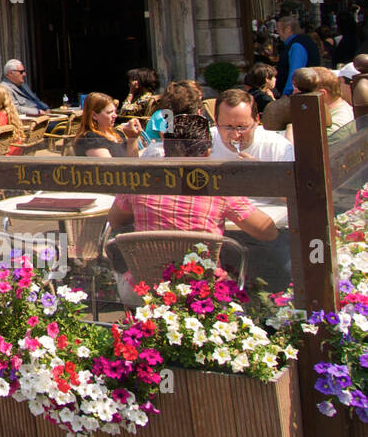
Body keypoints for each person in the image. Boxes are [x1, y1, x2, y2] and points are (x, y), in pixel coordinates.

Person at [108, 114, 276, 303]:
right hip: (202, 292)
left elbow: (115, 221)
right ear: (207, 153)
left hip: (143, 290)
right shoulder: (217, 186)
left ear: (165, 146)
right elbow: (267, 232)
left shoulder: (142, 180)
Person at [71, 92, 128, 157]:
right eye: (109, 112)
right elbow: (110, 165)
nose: (115, 115)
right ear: (94, 115)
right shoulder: (90, 139)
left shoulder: (118, 134)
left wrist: (133, 138)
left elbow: (134, 162)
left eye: (115, 111)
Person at [276, 13, 321, 95]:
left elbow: (295, 73)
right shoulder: (303, 41)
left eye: (278, 29)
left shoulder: (297, 45)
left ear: (288, 29)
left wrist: (287, 93)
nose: (278, 33)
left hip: (299, 95)